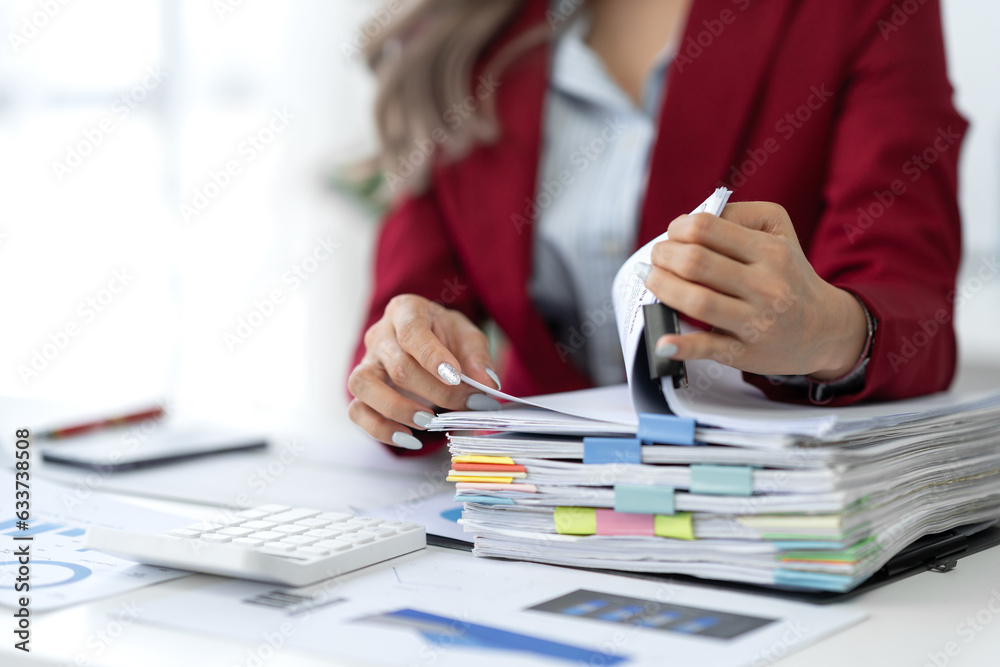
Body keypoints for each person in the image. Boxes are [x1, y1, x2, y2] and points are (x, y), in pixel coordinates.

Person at [347, 0, 966, 453]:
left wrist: (824, 331)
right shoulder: (460, 34)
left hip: (759, 502)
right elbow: (395, 331)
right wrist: (413, 361)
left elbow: (912, 307)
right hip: (534, 500)